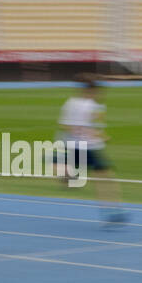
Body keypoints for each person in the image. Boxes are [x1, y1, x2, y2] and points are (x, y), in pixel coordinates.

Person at [57, 73, 128, 226]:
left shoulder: (70, 103)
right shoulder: (90, 105)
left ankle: (67, 174)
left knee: (101, 176)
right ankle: (112, 209)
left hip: (72, 145)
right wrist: (100, 136)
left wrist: (91, 133)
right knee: (106, 176)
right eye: (97, 90)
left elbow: (65, 126)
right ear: (90, 90)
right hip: (87, 146)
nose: (99, 94)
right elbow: (82, 126)